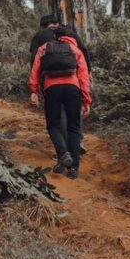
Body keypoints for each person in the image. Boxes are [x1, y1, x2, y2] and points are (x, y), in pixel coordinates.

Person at [29, 24, 91, 179]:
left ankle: (63, 154)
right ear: (69, 36)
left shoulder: (44, 48)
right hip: (73, 88)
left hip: (52, 88)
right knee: (74, 128)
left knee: (54, 124)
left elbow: (35, 70)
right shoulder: (75, 50)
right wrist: (86, 100)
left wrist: (34, 91)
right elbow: (83, 76)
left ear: (55, 36)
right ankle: (73, 169)